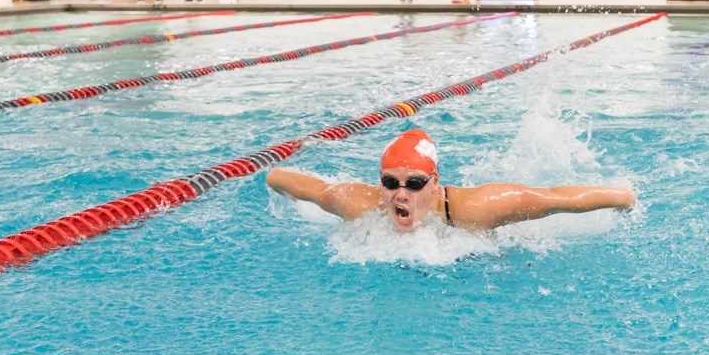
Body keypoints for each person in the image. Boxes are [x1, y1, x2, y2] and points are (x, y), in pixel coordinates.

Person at [266, 129, 638, 234]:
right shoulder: (360, 204)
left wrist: (621, 196)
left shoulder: (477, 208)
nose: (399, 195)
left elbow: (555, 198)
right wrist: (272, 177)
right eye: (389, 182)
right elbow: (296, 183)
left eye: (413, 184)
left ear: (433, 183)